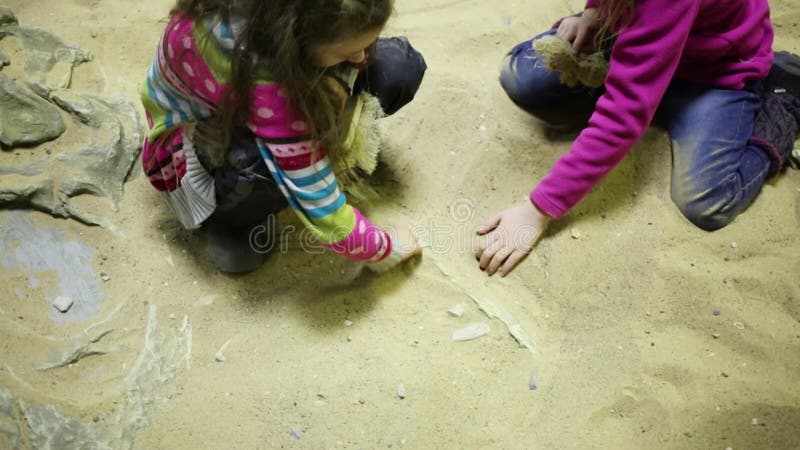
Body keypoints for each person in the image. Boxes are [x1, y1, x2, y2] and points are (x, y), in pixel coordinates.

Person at [476, 0, 800, 276]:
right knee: (523, 77)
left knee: (707, 202)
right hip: (641, 32)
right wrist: (594, 14)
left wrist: (538, 210)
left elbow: (623, 116)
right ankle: (644, 79)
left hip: (713, 73)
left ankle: (783, 92)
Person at [140, 0, 426, 273]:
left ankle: (331, 85)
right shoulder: (270, 92)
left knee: (401, 67)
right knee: (241, 252)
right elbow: (323, 207)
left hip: (262, 81)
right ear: (299, 35)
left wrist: (343, 66)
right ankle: (232, 222)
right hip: (198, 145)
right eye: (346, 52)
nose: (361, 57)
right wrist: (385, 249)